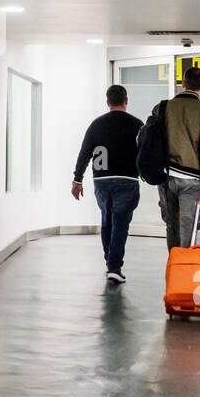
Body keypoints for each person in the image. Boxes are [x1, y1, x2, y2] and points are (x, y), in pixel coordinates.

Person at [136, 66, 200, 251]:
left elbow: (147, 136)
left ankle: (173, 266)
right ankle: (183, 270)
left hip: (165, 176)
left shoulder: (162, 107)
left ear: (183, 83)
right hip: (192, 180)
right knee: (187, 228)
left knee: (171, 226)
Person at [72, 85, 144, 283]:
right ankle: (114, 266)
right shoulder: (137, 125)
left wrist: (77, 180)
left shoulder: (97, 124)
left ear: (107, 102)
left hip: (101, 180)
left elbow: (84, 152)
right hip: (127, 180)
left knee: (107, 219)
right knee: (120, 222)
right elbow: (146, 152)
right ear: (126, 100)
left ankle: (109, 262)